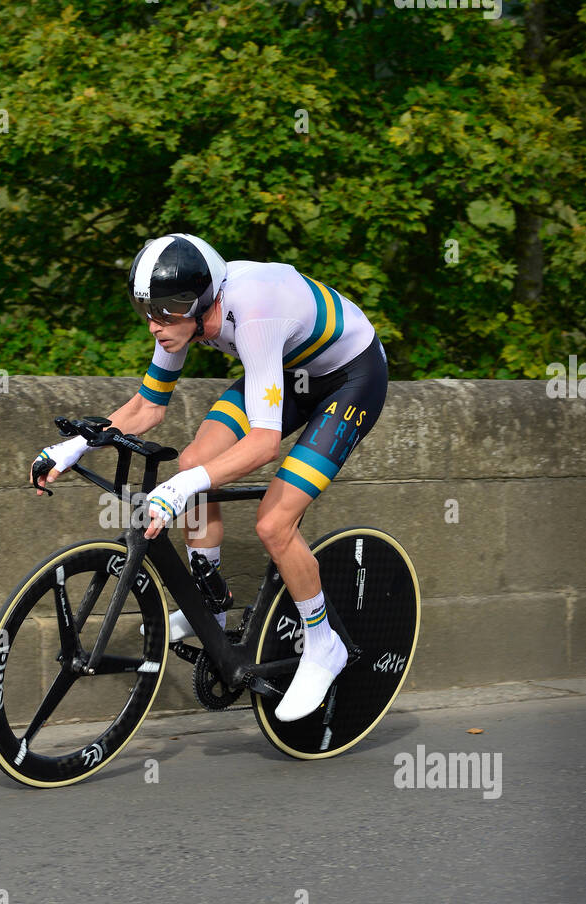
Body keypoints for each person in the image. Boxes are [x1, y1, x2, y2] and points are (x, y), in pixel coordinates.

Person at [29, 233, 388, 723]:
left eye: (165, 314)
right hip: (289, 369)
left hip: (351, 379)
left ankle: (324, 645)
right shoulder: (181, 319)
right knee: (195, 458)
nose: (155, 326)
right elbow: (146, 408)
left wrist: (178, 492)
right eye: (146, 312)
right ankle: (211, 604)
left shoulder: (254, 311)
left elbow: (262, 445)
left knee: (273, 524)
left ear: (200, 303)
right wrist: (70, 449)